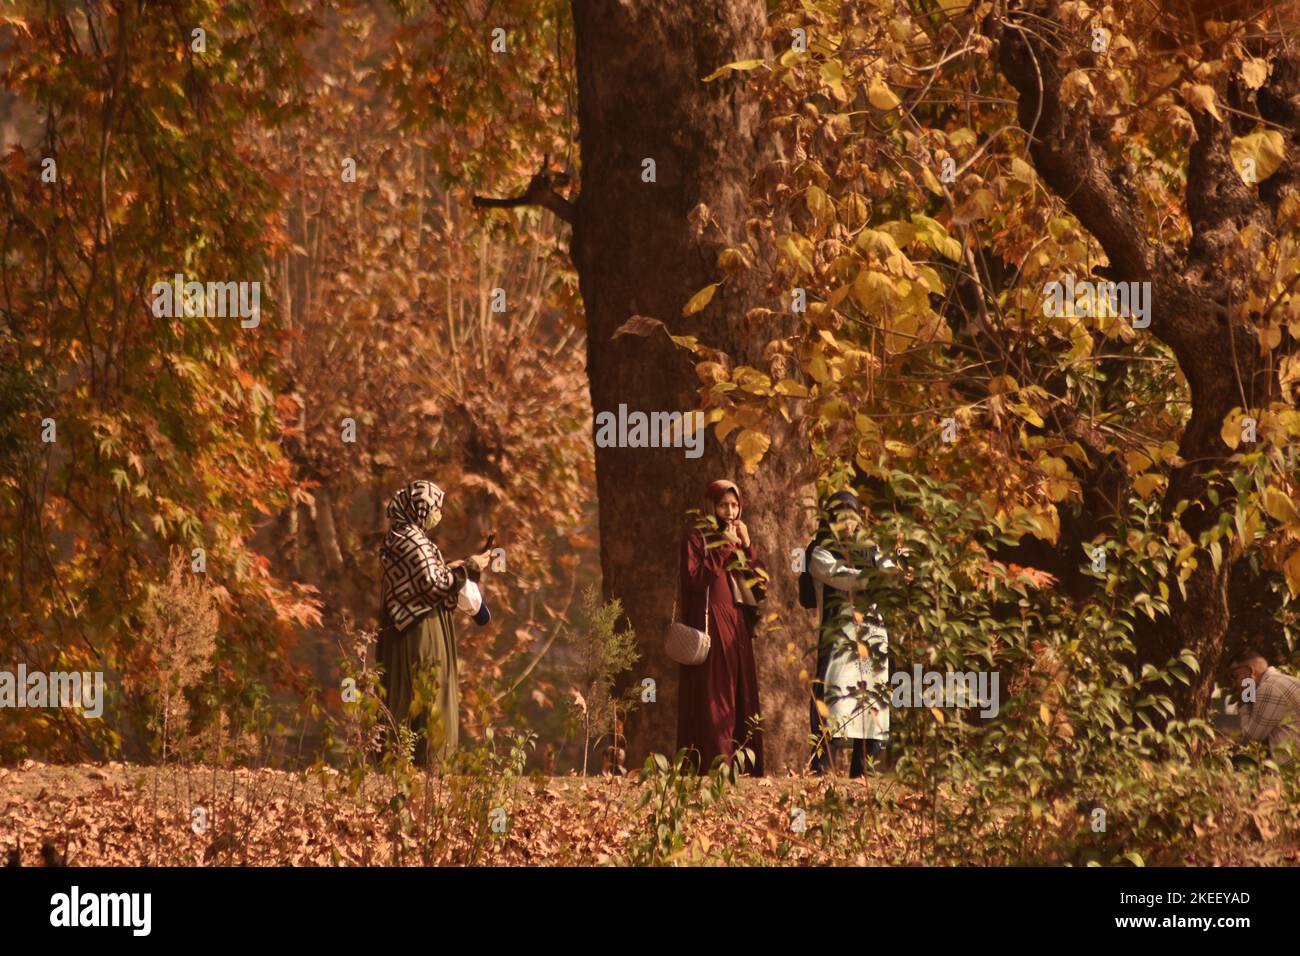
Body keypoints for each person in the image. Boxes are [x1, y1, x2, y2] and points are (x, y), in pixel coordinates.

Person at [376, 480, 491, 765]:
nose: (438, 512)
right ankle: (421, 764)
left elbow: (429, 578)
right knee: (424, 693)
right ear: (420, 507)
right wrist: (471, 566)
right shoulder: (408, 539)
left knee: (430, 692)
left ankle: (425, 764)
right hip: (417, 630)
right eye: (435, 506)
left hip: (425, 625)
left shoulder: (412, 537)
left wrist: (456, 567)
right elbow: (432, 584)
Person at [807, 490, 907, 777]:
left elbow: (894, 571)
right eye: (841, 516)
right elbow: (844, 578)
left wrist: (899, 561)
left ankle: (864, 768)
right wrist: (877, 576)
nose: (848, 523)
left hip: (873, 632)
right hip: (840, 631)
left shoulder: (872, 549)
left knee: (873, 694)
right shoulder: (820, 550)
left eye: (852, 516)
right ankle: (823, 767)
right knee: (835, 692)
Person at [675, 479, 768, 776]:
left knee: (740, 692)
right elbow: (693, 579)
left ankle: (744, 765)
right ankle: (717, 764)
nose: (729, 511)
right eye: (723, 505)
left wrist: (748, 545)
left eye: (734, 505)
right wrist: (723, 547)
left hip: (737, 623)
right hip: (710, 622)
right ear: (711, 506)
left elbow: (760, 586)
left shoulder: (739, 538)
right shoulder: (696, 537)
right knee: (715, 693)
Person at [1228, 648, 1300, 766]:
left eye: (1235, 677)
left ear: (1249, 671)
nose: (1233, 684)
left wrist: (1245, 701)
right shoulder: (1287, 680)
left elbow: (1252, 739)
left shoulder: (1269, 688)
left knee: (1239, 762)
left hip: (1291, 768)